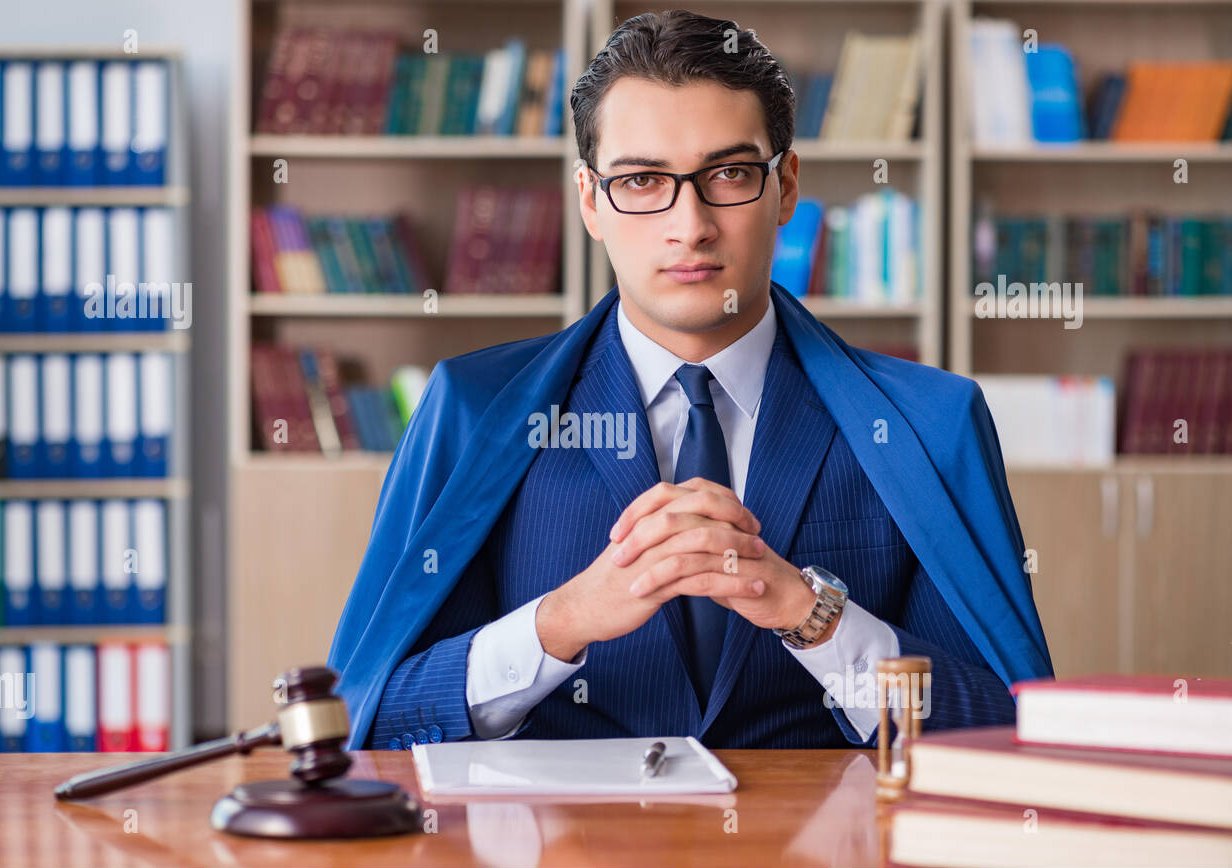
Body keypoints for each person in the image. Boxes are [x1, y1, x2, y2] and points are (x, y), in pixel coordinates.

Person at [327, 9, 1053, 751]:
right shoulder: (471, 410)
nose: (690, 224)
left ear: (787, 187)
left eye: (730, 174)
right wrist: (564, 621)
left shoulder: (932, 422)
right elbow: (366, 721)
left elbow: (1003, 733)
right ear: (590, 201)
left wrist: (810, 613)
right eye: (642, 181)